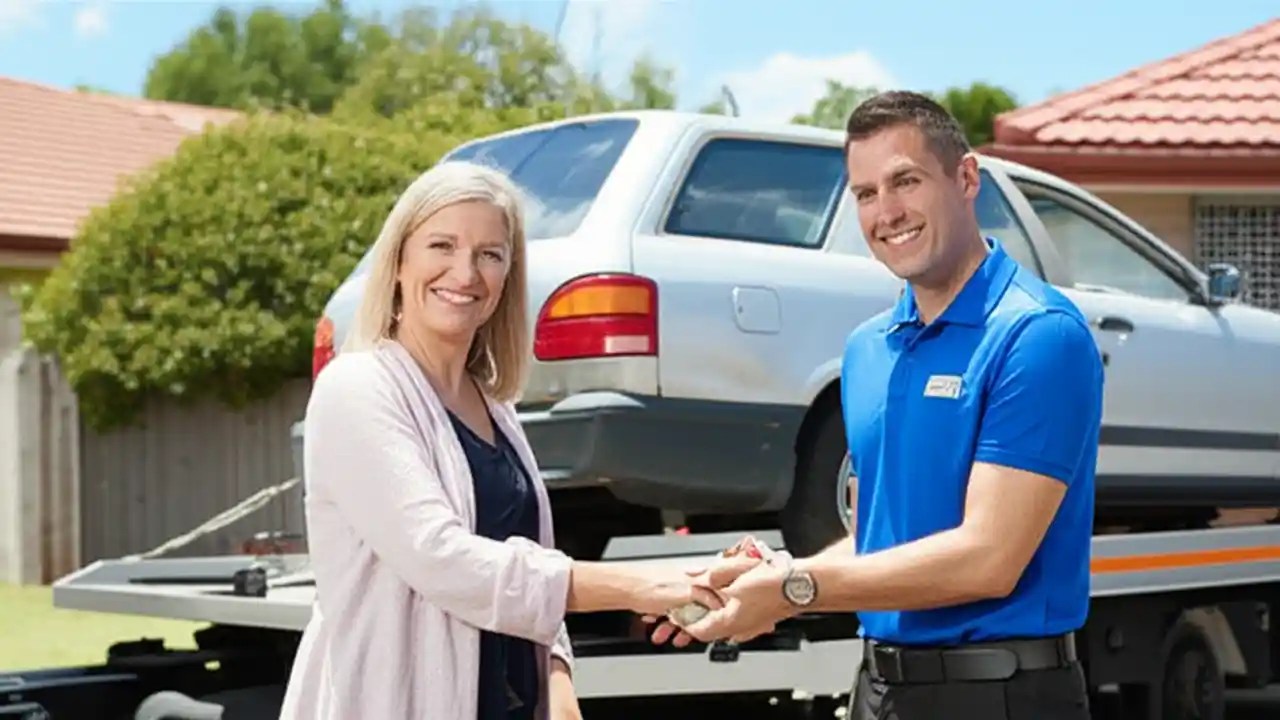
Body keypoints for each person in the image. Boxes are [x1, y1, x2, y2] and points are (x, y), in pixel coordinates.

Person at [655, 91, 1104, 719]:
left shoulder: (1038, 335)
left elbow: (989, 560)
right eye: (865, 194)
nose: (886, 212)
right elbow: (875, 542)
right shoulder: (868, 351)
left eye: (906, 181)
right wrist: (779, 575)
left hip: (1000, 695)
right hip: (880, 688)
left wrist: (794, 590)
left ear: (966, 178)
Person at [278, 160, 721, 720]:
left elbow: (529, 558)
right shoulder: (358, 387)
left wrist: (558, 677)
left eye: (490, 254)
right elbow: (444, 560)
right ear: (398, 261)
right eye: (442, 245)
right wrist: (637, 586)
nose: (465, 273)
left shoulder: (494, 406)